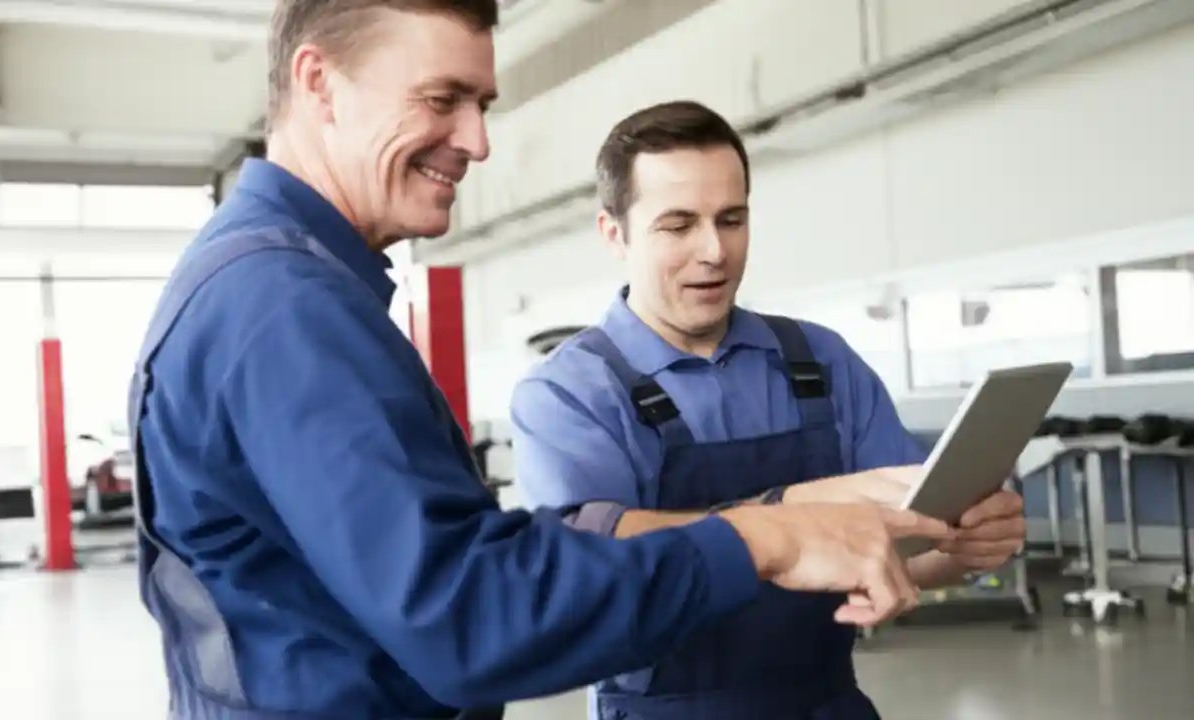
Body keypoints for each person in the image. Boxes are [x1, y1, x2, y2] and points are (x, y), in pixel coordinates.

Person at [128, 3, 957, 719]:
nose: (478, 141)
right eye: (442, 99)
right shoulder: (283, 306)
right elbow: (473, 615)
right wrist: (765, 537)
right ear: (319, 82)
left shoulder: (284, 286)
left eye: (482, 103)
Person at [509, 99, 1028, 720]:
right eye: (678, 226)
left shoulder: (820, 362)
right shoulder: (569, 393)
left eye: (731, 219)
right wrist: (795, 515)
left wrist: (967, 549)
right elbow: (587, 577)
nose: (714, 251)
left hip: (824, 703)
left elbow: (905, 546)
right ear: (614, 233)